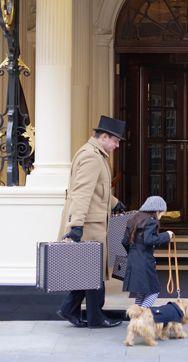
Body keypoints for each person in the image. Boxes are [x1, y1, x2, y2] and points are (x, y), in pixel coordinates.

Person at [56, 116, 128, 329]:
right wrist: (76, 225)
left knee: (87, 271)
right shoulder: (93, 157)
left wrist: (114, 203)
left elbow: (97, 189)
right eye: (115, 141)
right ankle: (96, 318)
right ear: (104, 137)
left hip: (90, 222)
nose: (116, 145)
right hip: (89, 225)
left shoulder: (94, 153)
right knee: (94, 272)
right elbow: (82, 192)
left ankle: (69, 309)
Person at [121, 196, 175, 309]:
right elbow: (149, 239)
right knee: (153, 292)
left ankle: (136, 320)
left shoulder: (133, 220)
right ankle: (142, 318)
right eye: (161, 214)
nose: (161, 217)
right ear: (157, 211)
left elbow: (125, 241)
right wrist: (166, 235)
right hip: (144, 261)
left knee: (141, 293)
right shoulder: (151, 222)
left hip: (133, 260)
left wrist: (133, 254)